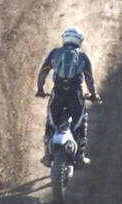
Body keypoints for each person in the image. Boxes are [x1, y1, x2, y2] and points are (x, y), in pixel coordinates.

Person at [36, 26, 99, 167]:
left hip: (57, 93)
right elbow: (89, 79)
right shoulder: (83, 56)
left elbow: (43, 72)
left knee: (51, 123)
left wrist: (40, 89)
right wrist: (94, 95)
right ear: (79, 41)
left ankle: (47, 155)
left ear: (64, 38)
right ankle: (81, 156)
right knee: (81, 123)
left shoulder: (54, 53)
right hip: (75, 95)